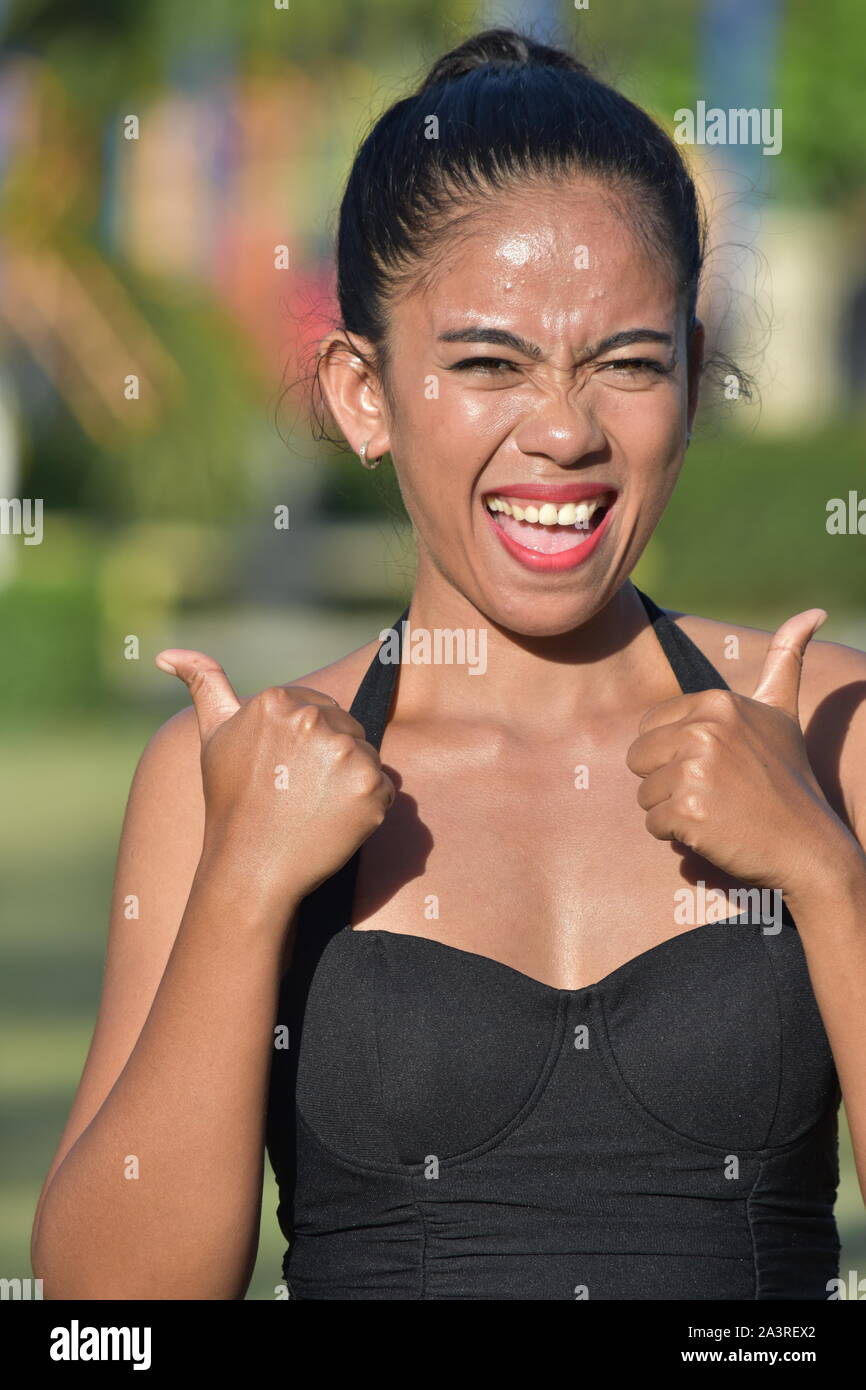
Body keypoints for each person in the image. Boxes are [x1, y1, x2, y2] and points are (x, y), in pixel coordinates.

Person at [31, 27, 866, 1301]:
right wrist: (246, 880)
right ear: (364, 394)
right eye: (487, 363)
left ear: (695, 383)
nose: (564, 429)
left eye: (628, 364)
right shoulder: (228, 772)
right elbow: (106, 1321)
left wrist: (821, 870)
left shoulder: (822, 726)